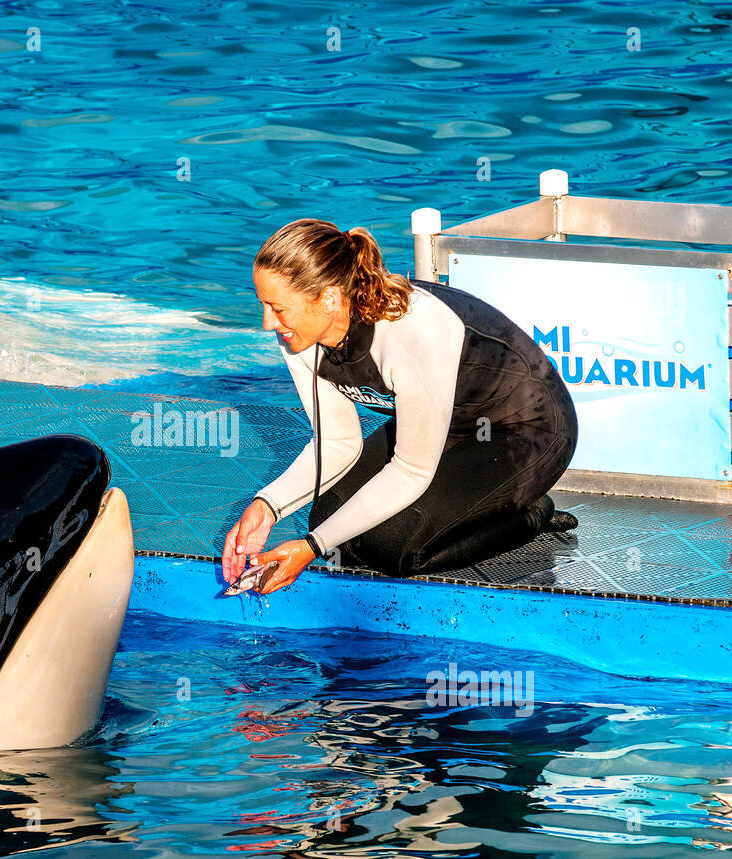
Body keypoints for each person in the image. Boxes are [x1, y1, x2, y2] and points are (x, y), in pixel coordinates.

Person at [222, 218, 579, 594]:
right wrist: (267, 507)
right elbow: (338, 443)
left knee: (397, 548)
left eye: (278, 309)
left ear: (328, 298)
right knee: (333, 526)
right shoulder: (300, 334)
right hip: (444, 425)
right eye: (263, 305)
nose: (267, 323)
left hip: (526, 430)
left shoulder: (411, 331)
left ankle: (530, 513)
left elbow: (411, 471)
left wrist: (310, 548)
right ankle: (481, 504)